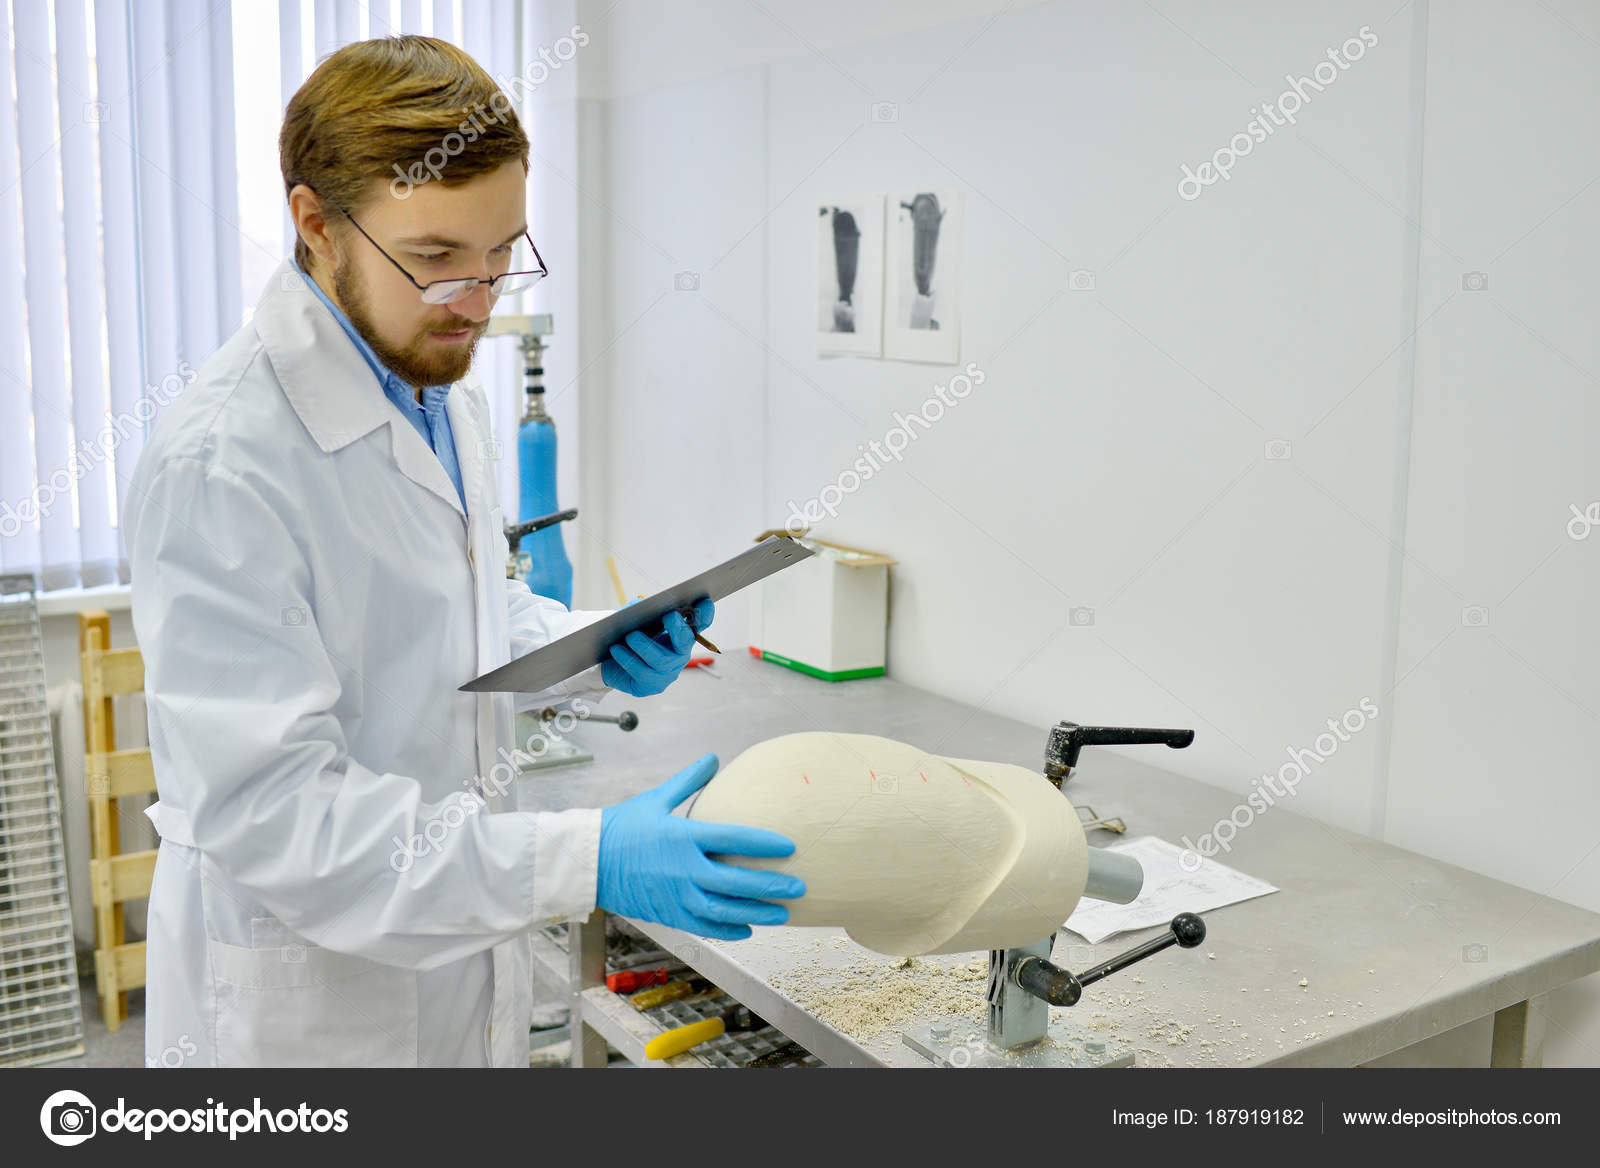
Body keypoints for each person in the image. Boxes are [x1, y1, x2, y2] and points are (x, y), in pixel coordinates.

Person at [124, 35, 804, 1069]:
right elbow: (283, 819)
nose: (478, 302)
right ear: (316, 223)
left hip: (449, 961)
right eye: (437, 259)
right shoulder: (225, 462)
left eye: (501, 257)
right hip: (307, 1010)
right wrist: (589, 857)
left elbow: (455, 618)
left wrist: (587, 645)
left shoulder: (439, 386)